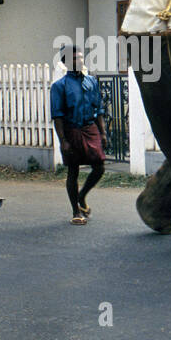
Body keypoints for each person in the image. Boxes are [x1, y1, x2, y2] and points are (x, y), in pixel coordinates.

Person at [51, 46, 106, 225]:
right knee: (73, 170)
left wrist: (103, 133)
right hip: (72, 130)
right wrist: (63, 141)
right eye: (75, 59)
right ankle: (76, 211)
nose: (80, 61)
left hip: (90, 128)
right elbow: (57, 115)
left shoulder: (91, 82)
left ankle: (82, 196)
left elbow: (99, 109)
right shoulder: (59, 86)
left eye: (81, 58)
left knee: (99, 166)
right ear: (66, 63)